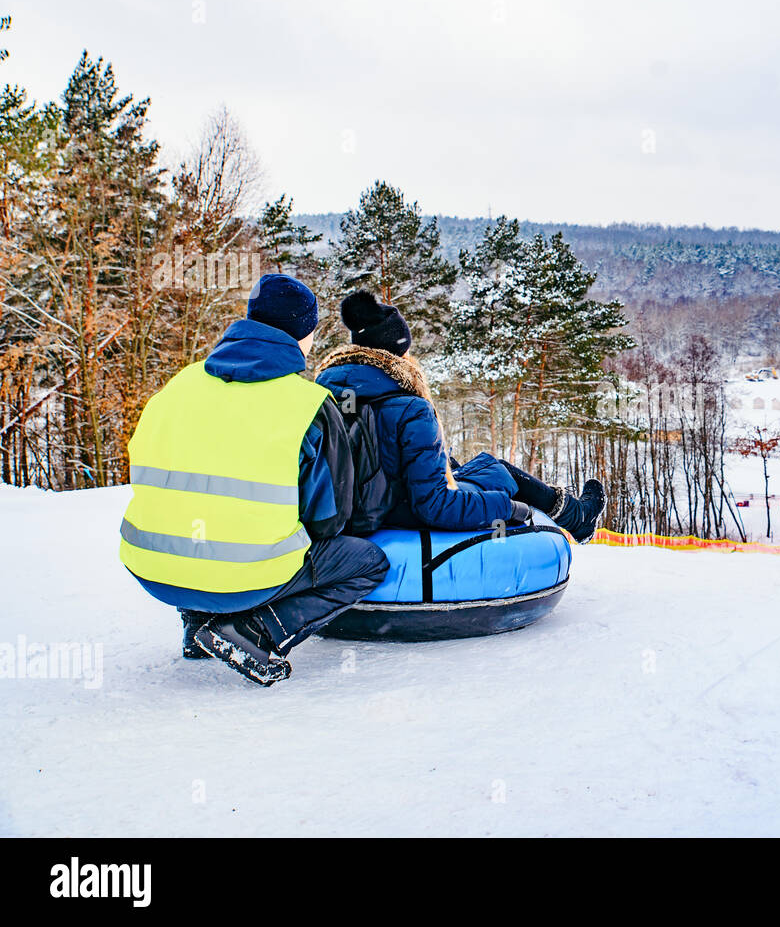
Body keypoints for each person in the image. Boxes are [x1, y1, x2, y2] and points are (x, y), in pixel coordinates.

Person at [120, 274, 389, 686]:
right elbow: (328, 520)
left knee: (203, 516)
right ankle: (252, 631)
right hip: (245, 579)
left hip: (151, 566)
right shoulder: (309, 403)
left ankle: (197, 625)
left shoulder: (180, 384)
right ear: (304, 334)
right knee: (366, 562)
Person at [314, 291, 605, 540]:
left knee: (468, 465)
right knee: (498, 470)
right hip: (397, 512)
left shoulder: (329, 392)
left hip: (354, 507)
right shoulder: (409, 405)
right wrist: (506, 508)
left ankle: (574, 515)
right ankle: (576, 518)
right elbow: (434, 505)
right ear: (399, 354)